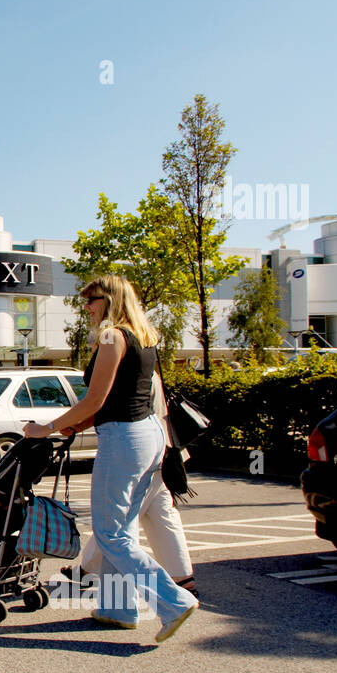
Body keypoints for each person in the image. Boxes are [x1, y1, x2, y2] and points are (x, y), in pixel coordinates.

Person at [22, 275, 198, 642]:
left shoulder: (111, 337)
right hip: (149, 435)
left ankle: (175, 602)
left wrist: (47, 428)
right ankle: (119, 608)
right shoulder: (143, 337)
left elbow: (95, 399)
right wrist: (78, 424)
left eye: (92, 299)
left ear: (112, 300)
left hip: (123, 441)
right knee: (123, 527)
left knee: (111, 533)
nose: (86, 307)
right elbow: (119, 399)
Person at [61, 368, 198, 598]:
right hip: (161, 449)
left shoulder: (126, 370)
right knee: (162, 515)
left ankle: (87, 571)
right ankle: (182, 576)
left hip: (138, 454)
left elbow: (104, 406)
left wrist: (69, 426)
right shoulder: (148, 368)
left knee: (115, 519)